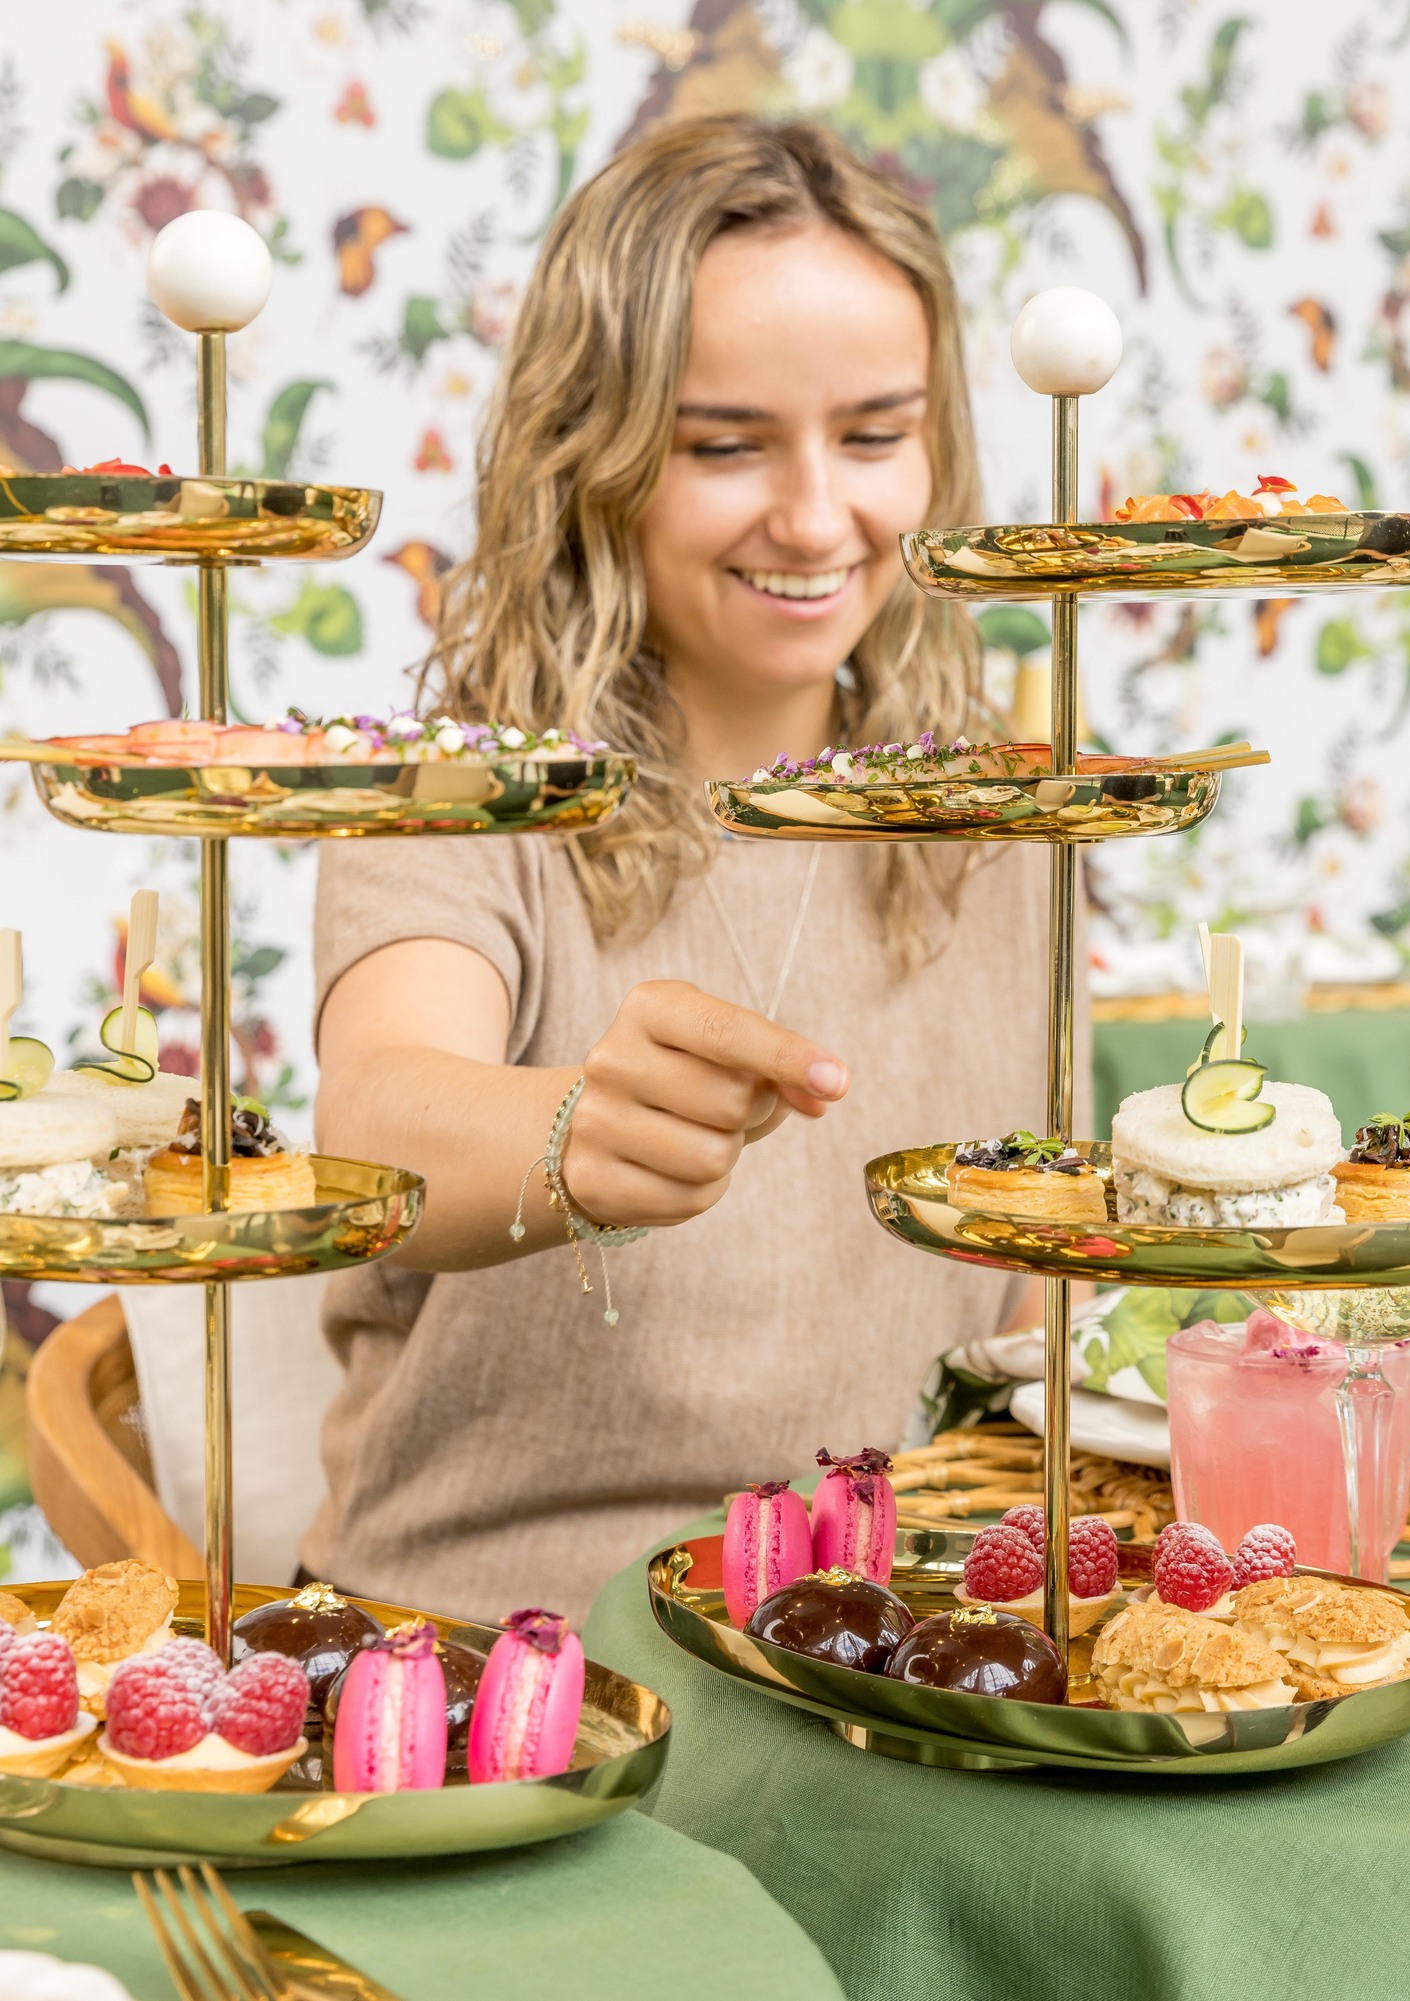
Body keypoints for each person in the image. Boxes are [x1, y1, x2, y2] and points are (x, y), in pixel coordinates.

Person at [309, 116, 1048, 1618]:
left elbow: (1035, 1288)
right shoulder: (458, 793)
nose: (818, 516)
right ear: (597, 455)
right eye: (725, 446)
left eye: (875, 435)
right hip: (507, 1641)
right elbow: (378, 1121)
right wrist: (572, 1127)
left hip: (891, 1636)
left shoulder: (997, 821)